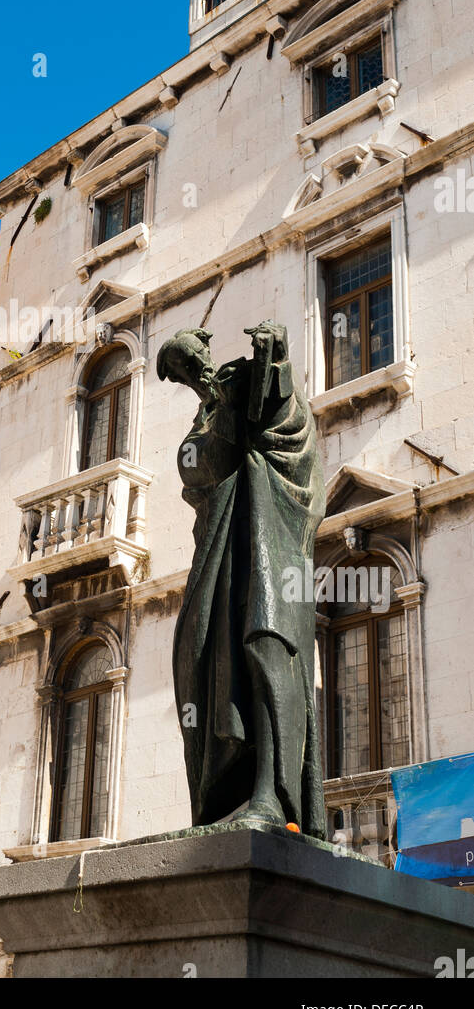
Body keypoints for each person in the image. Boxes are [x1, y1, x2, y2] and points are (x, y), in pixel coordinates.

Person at [156, 319, 326, 837]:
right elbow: (198, 472)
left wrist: (272, 364)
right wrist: (222, 408)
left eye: (195, 359)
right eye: (185, 371)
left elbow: (286, 426)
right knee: (202, 655)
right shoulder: (204, 423)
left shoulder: (253, 383)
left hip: (272, 551)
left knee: (266, 646)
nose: (196, 372)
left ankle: (273, 793)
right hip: (223, 560)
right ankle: (227, 793)